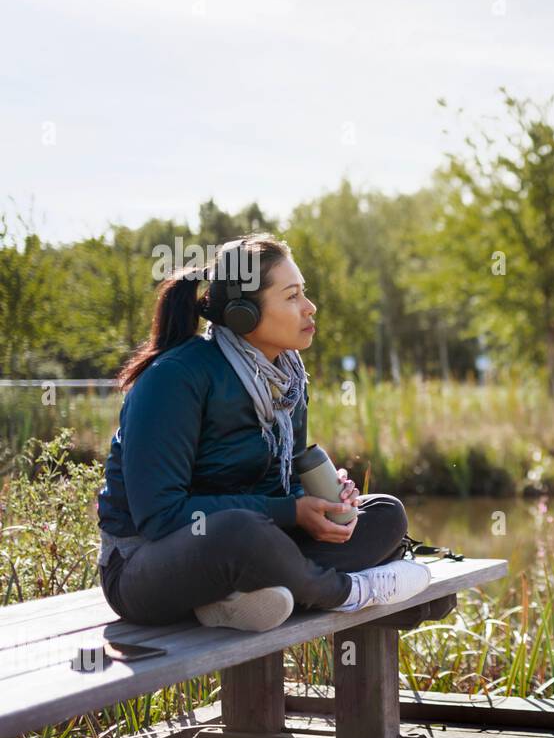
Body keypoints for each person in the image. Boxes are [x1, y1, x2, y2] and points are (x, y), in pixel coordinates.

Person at [96, 233, 431, 632]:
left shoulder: (288, 380)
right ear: (243, 313)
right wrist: (289, 511)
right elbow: (160, 517)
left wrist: (320, 501)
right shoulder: (175, 378)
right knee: (240, 531)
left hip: (252, 545)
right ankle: (349, 593)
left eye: (304, 293)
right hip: (143, 567)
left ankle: (236, 600)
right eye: (292, 297)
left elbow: (280, 486)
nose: (310, 308)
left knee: (384, 515)